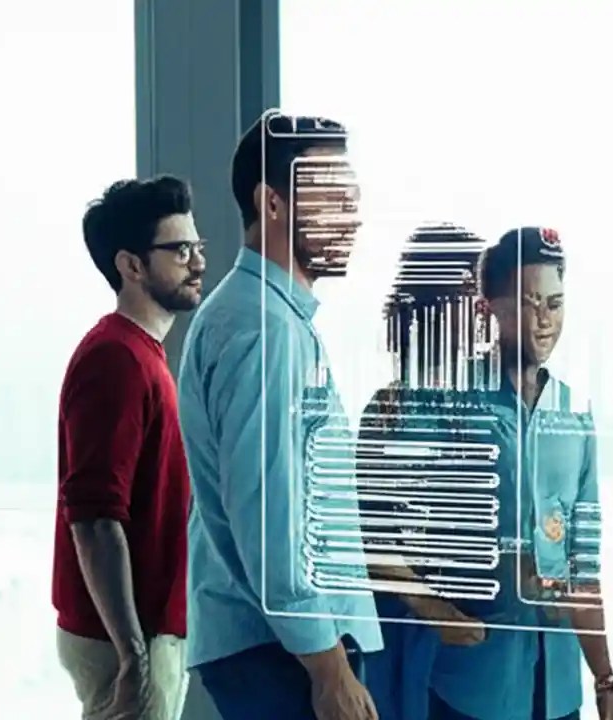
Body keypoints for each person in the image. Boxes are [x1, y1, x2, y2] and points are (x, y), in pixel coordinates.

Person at [176, 111, 383, 720]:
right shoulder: (264, 330)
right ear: (271, 202)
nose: (351, 216)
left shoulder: (267, 318)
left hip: (279, 647)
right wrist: (328, 668)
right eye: (331, 197)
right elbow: (271, 518)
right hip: (284, 654)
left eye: (352, 199)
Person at [419, 227, 613, 720]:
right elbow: (391, 534)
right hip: (471, 686)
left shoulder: (575, 415)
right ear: (489, 307)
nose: (545, 320)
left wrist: (605, 682)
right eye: (531, 304)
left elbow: (584, 564)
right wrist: (438, 613)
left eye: (555, 303)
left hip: (558, 692)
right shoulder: (447, 403)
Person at [53, 175, 204, 720]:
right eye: (180, 250)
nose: (198, 262)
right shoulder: (115, 359)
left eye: (198, 246)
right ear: (132, 266)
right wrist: (133, 654)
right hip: (127, 640)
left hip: (145, 630)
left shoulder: (140, 354)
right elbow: (94, 517)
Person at [355, 222, 493, 720]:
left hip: (480, 648)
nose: (483, 309)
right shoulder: (388, 411)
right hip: (412, 635)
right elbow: (374, 540)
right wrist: (438, 612)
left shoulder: (489, 402)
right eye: (471, 291)